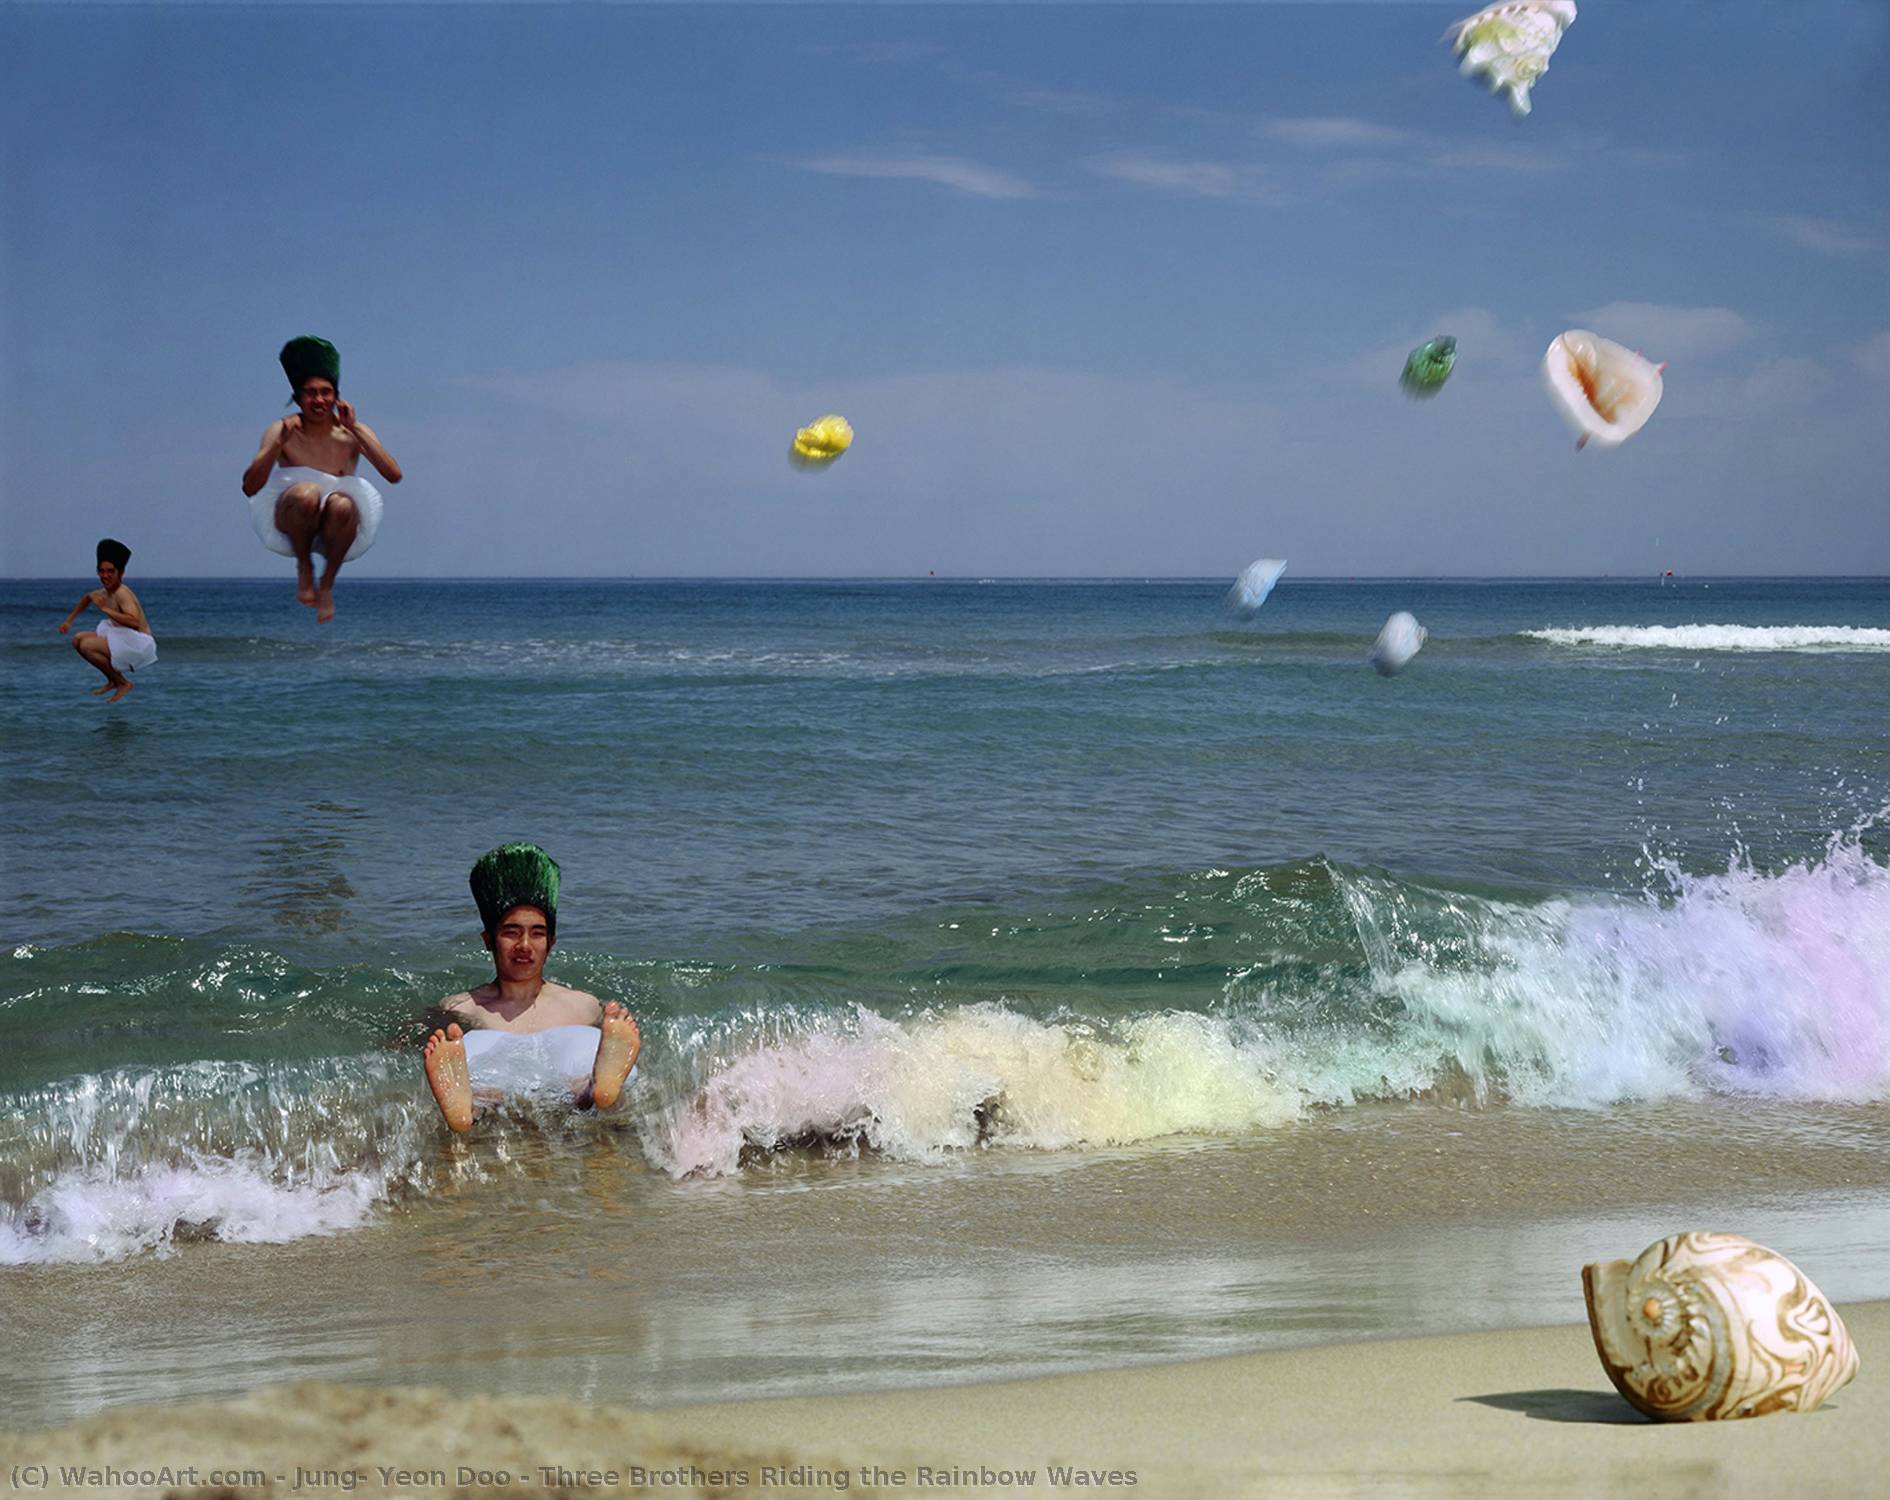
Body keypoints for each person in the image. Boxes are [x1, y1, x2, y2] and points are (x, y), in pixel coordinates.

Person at [422, 843, 642, 1133]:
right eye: (511, 932)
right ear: (489, 940)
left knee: (581, 1087)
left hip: (568, 1093)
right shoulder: (459, 1008)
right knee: (488, 1095)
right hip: (497, 1094)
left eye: (537, 934)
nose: (524, 946)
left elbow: (620, 1044)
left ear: (551, 943)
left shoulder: (583, 1005)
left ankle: (599, 1090)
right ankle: (465, 1111)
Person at [241, 336, 403, 623]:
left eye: (325, 392)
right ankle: (305, 567)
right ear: (298, 397)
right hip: (292, 514)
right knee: (306, 494)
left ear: (337, 396)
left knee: (342, 504)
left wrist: (356, 429)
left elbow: (393, 475)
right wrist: (277, 444)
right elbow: (250, 486)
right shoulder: (282, 428)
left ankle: (326, 583)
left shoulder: (353, 432)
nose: (318, 400)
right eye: (310, 393)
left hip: (338, 524)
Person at [57, 538, 156, 703]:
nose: (105, 576)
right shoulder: (104, 591)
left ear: (121, 573)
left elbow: (134, 622)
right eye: (102, 571)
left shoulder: (121, 593)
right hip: (122, 636)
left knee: (87, 645)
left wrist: (106, 610)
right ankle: (112, 680)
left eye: (110, 571)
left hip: (139, 643)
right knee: (77, 639)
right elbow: (88, 598)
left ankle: (123, 683)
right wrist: (69, 621)